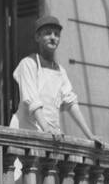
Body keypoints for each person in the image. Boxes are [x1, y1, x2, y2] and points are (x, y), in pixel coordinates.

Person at [10, 15, 100, 143]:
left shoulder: (60, 71)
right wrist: (46, 129)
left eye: (56, 34)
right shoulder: (29, 64)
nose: (53, 38)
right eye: (48, 34)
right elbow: (32, 101)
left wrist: (90, 135)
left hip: (50, 138)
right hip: (26, 134)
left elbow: (71, 103)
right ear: (37, 37)